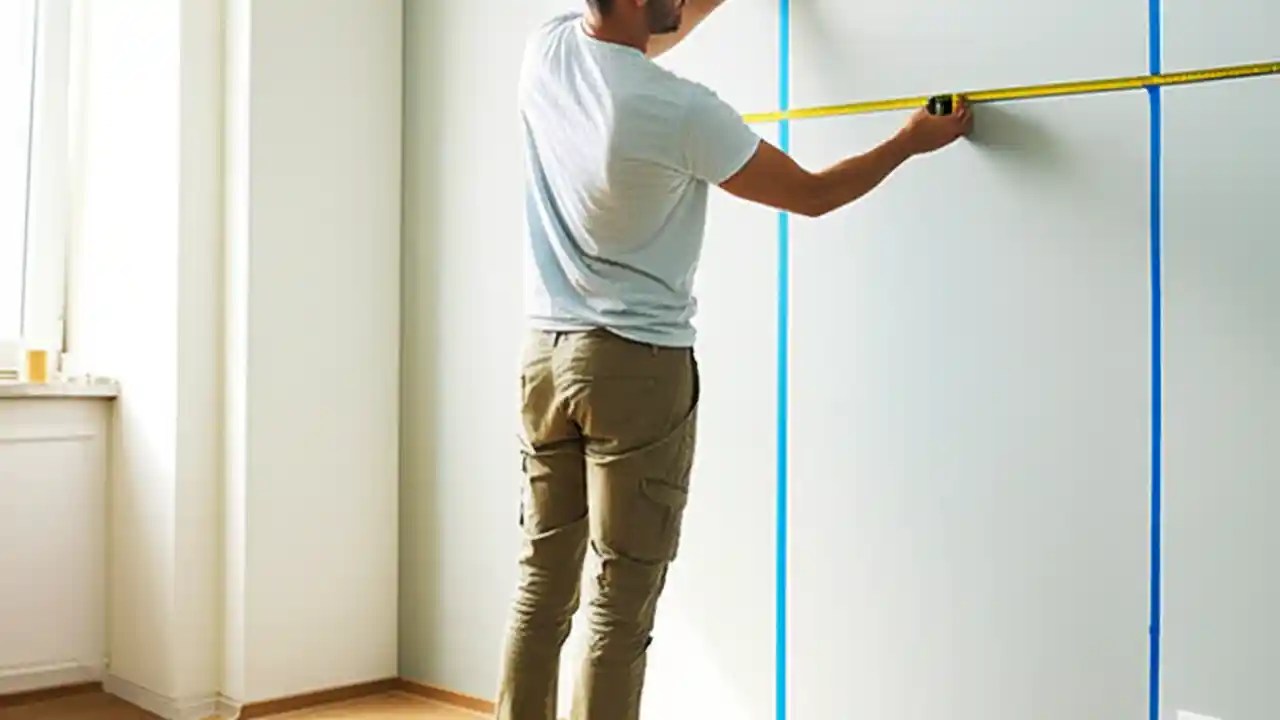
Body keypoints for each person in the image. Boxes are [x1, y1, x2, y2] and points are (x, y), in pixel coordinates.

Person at [495, 1, 973, 718]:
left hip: (546, 360)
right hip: (633, 369)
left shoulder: (549, 51)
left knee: (540, 590)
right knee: (620, 608)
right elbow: (813, 195)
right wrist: (909, 140)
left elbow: (643, 36)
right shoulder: (679, 110)